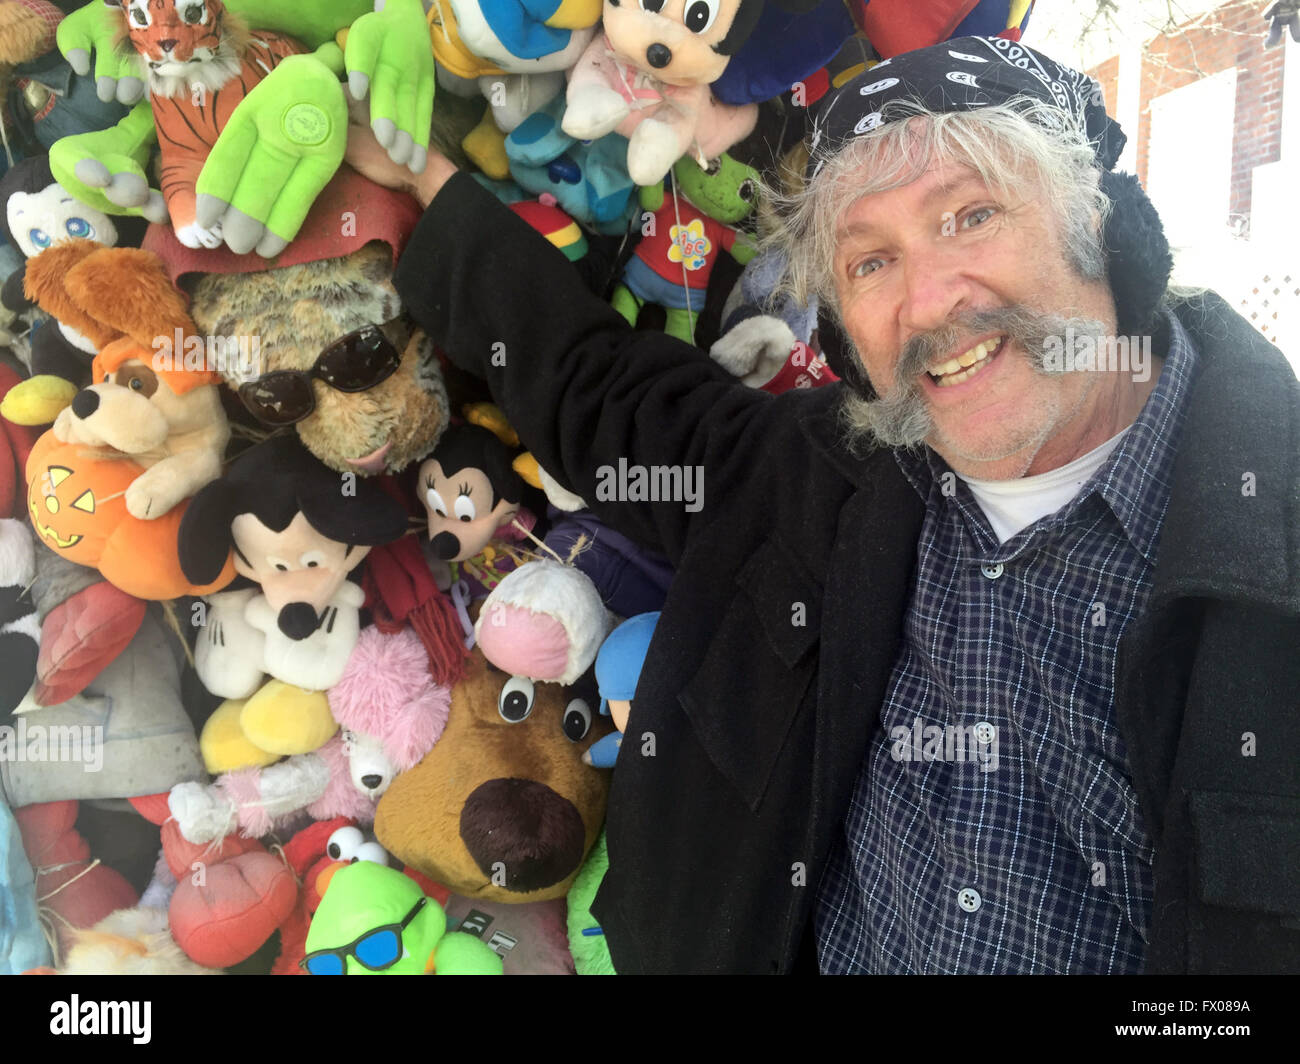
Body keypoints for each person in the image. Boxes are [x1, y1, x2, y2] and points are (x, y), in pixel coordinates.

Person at [346, 36, 1300, 974]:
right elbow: (600, 392)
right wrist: (427, 182)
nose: (926, 305)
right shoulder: (814, 472)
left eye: (969, 216)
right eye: (870, 263)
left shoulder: (1272, 527)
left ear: (1107, 231)